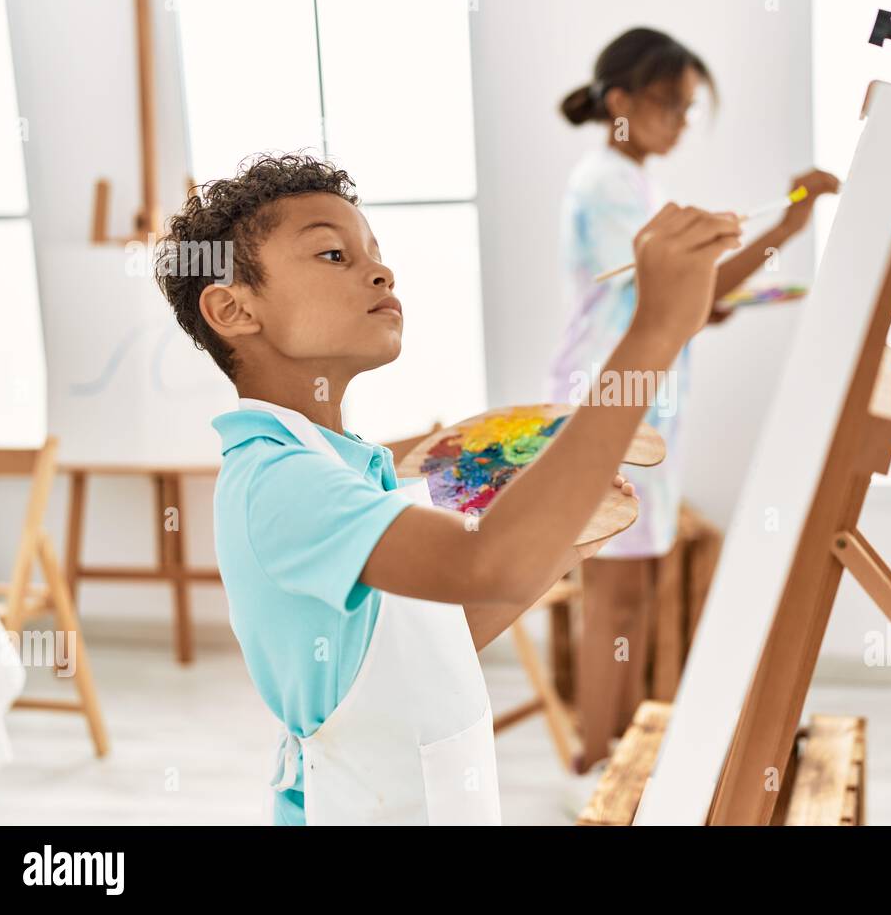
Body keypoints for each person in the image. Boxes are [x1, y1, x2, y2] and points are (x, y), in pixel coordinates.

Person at [154, 153, 741, 824]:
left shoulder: (347, 464)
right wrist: (655, 329)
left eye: (375, 252)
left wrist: (562, 546)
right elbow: (483, 561)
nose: (381, 270)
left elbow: (428, 640)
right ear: (233, 309)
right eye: (332, 255)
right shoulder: (280, 481)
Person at [550, 28, 839, 766]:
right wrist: (792, 222)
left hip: (644, 399)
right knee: (615, 586)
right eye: (669, 105)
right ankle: (597, 754)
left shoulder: (636, 183)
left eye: (687, 109)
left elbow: (684, 301)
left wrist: (712, 298)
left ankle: (616, 746)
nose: (681, 121)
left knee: (637, 582)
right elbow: (682, 290)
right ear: (620, 103)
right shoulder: (604, 183)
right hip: (611, 399)